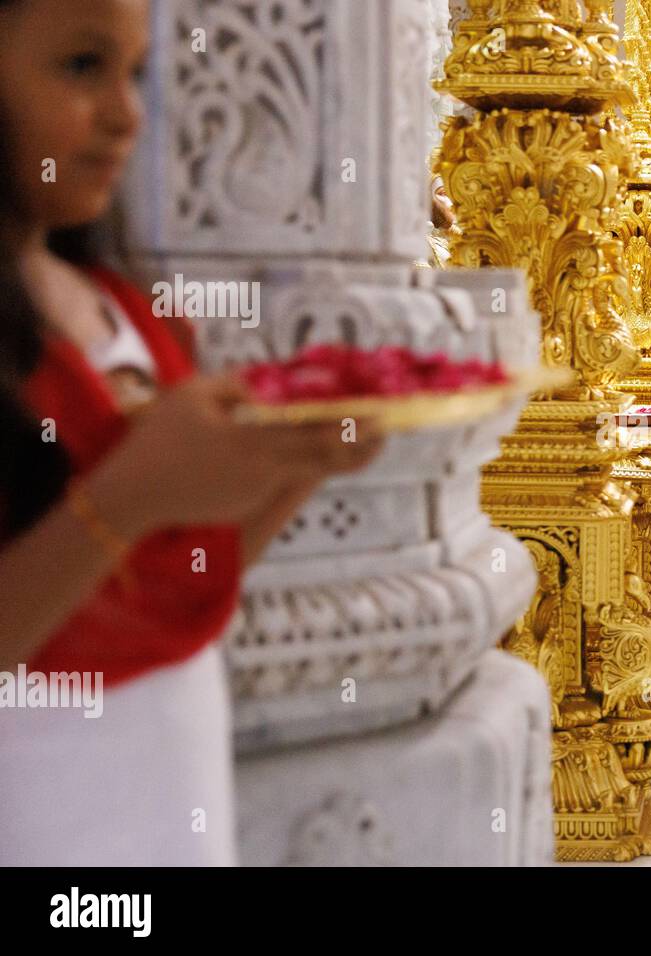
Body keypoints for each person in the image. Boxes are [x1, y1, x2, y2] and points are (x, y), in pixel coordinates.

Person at [0, 0, 383, 865]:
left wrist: (305, 458)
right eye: (81, 66)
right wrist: (129, 495)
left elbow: (175, 583)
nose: (128, 113)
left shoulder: (124, 310)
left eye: (135, 71)